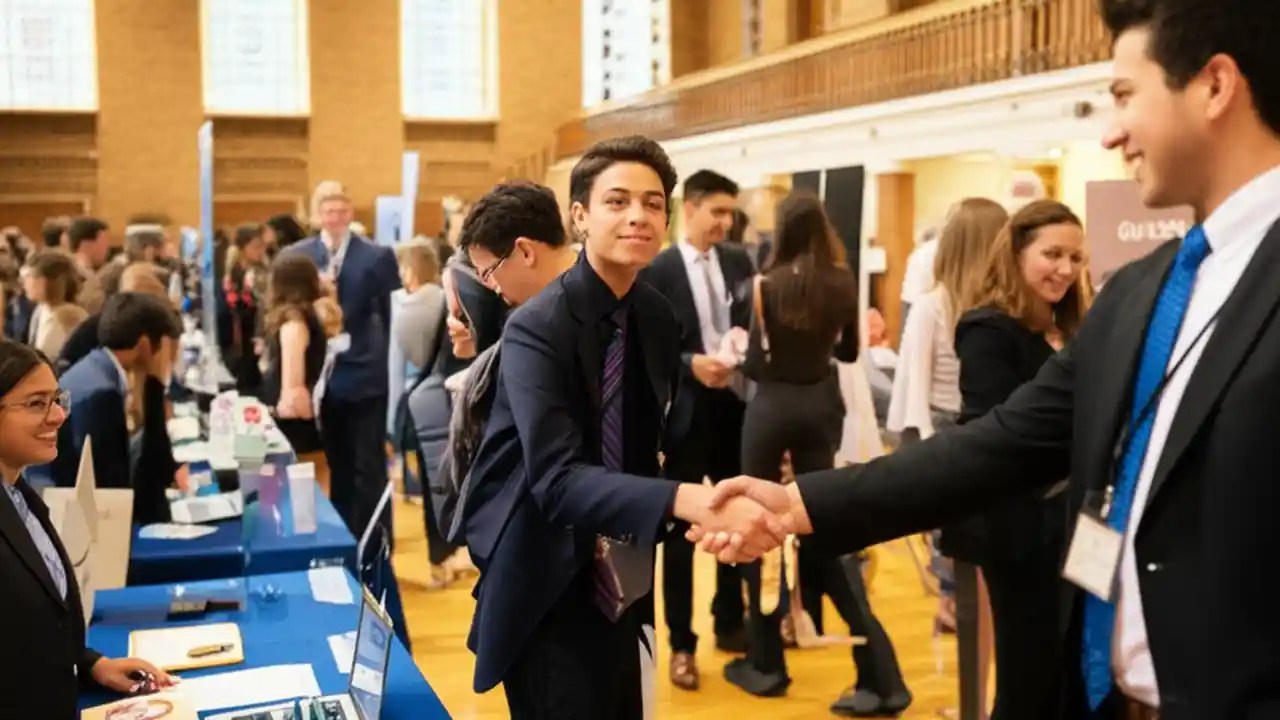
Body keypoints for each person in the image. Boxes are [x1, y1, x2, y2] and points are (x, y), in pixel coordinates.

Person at [694, 1, 1280, 716]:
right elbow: (1002, 442)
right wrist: (797, 502)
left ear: (1215, 86)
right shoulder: (1144, 290)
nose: (1111, 130)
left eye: (1126, 95)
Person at [461, 137, 784, 719]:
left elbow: (648, 447)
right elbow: (555, 481)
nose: (638, 215)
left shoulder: (657, 316)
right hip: (547, 577)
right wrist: (692, 500)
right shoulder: (537, 326)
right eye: (617, 201)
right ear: (580, 216)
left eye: (653, 203)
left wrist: (718, 506)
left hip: (625, 569)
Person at [942, 199, 1089, 720]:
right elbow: (994, 437)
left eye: (1076, 258)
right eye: (1053, 254)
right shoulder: (988, 329)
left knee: (1064, 674)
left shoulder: (1072, 327)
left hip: (1073, 528)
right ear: (1017, 251)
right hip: (1020, 530)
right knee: (1027, 677)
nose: (1066, 270)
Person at [0, 339, 175, 718]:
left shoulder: (19, 492)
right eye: (35, 404)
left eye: (55, 399)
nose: (58, 416)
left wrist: (90, 664)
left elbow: (33, 625)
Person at [639, 169, 753, 689]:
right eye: (718, 213)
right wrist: (690, 364)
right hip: (685, 413)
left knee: (735, 514)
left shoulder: (737, 260)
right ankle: (682, 645)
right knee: (683, 531)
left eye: (732, 213)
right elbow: (650, 347)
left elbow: (749, 321)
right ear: (690, 210)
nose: (726, 223)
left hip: (735, 405)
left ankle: (730, 621)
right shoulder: (659, 270)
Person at [284, 181, 401, 538]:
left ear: (351, 213)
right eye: (329, 211)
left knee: (369, 463)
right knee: (336, 463)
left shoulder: (377, 256)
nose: (336, 218)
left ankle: (378, 540)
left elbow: (390, 313)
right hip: (323, 378)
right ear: (317, 214)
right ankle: (344, 535)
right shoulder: (300, 256)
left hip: (365, 373)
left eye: (342, 211)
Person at [52, 293, 181, 525]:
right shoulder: (103, 394)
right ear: (144, 344)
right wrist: (155, 382)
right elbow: (112, 485)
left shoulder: (92, 367)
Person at [260, 254, 335, 495]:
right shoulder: (301, 318)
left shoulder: (295, 322)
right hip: (300, 425)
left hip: (295, 430)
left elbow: (293, 391)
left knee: (300, 503)